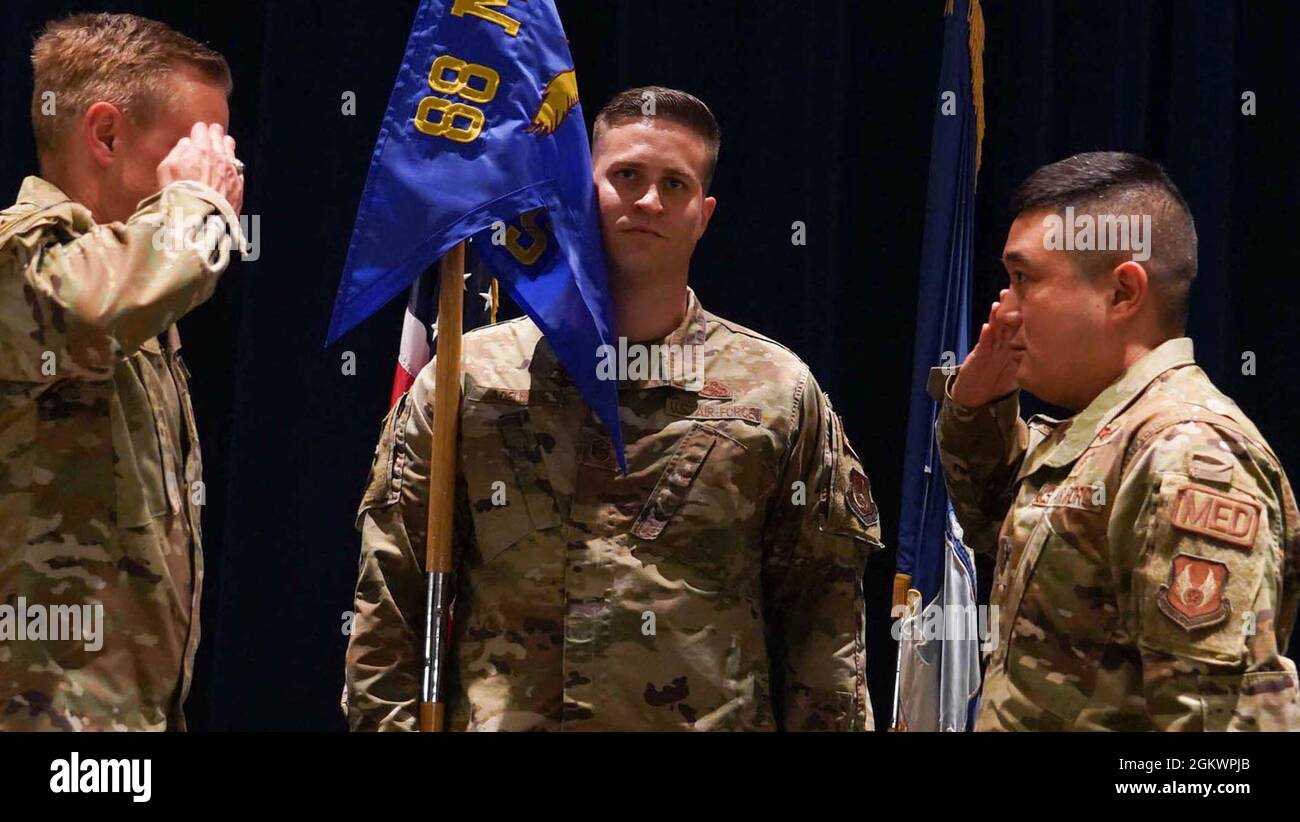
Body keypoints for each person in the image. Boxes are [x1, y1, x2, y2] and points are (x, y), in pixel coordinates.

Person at [345, 86, 881, 731]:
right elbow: (391, 607)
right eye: (626, 175)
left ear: (703, 215)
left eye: (674, 185)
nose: (649, 200)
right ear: (579, 188)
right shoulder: (469, 379)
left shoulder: (776, 393)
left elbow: (823, 631)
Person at [934, 151, 1300, 730]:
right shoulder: (1107, 435)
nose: (1004, 310)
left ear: (1123, 293)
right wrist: (976, 406)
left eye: (1024, 279)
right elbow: (994, 526)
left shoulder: (1185, 454)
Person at [0, 12, 245, 731]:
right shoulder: (23, 258)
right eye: (196, 149)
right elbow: (88, 304)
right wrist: (196, 207)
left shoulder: (140, 299)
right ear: (105, 135)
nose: (221, 173)